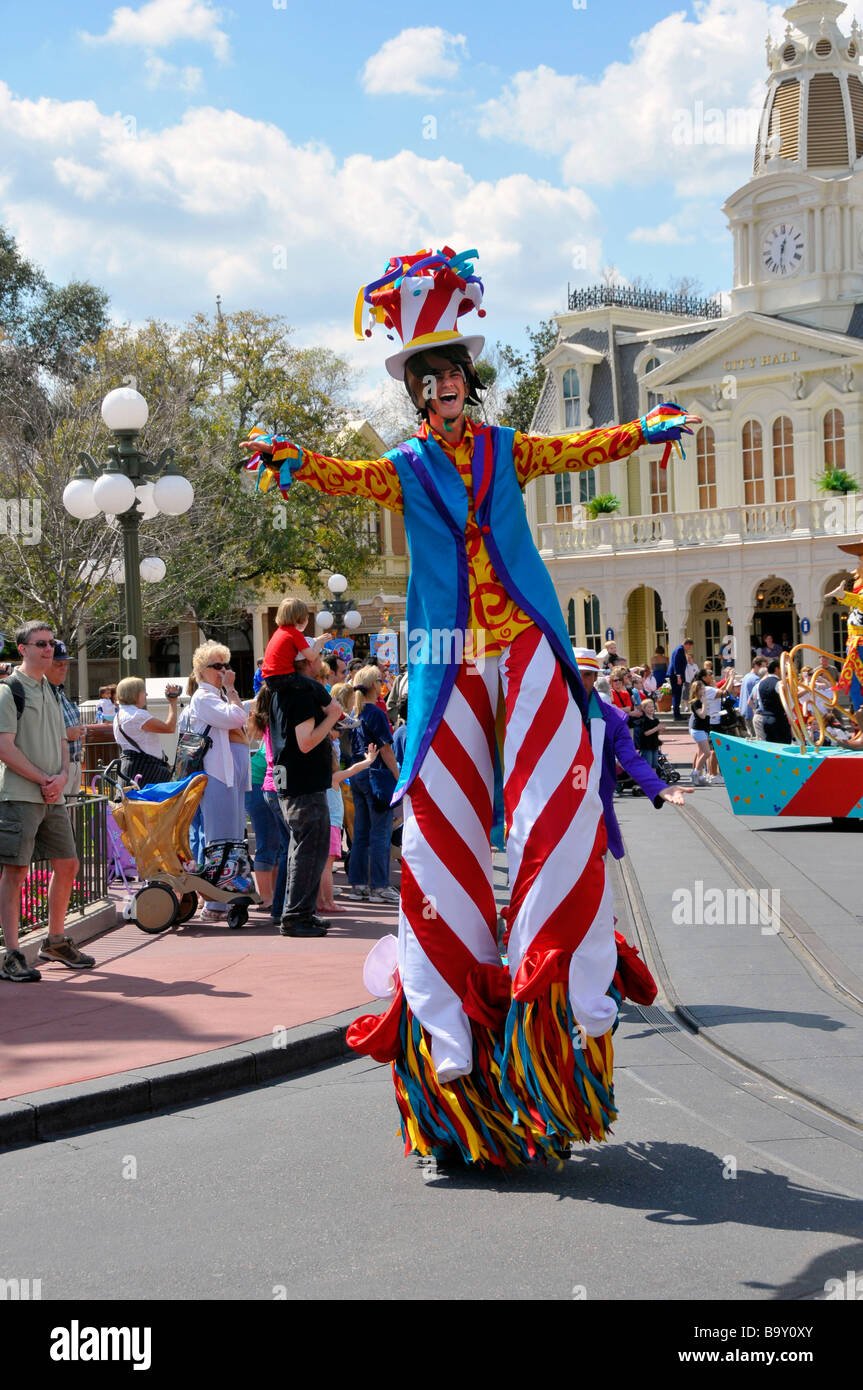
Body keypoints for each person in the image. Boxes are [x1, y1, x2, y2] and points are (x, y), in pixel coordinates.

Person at [241, 245, 698, 1169]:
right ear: (415, 392)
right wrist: (293, 460)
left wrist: (641, 432)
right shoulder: (405, 465)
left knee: (550, 823)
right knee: (432, 845)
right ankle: (449, 1053)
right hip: (448, 654)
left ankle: (557, 1020)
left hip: (526, 642)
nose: (442, 386)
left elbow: (576, 447)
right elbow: (340, 475)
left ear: (466, 383)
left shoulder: (503, 449)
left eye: (452, 373)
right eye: (428, 376)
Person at [0, 621, 94, 980]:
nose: (48, 649)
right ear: (22, 649)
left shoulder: (52, 692)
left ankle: (55, 940)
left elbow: (61, 745)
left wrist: (58, 779)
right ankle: (12, 954)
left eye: (50, 643)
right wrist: (43, 779)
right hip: (19, 795)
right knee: (16, 871)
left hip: (51, 796)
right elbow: (4, 747)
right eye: (40, 643)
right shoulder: (9, 691)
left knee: (68, 864)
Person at [270, 646, 344, 937]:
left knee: (302, 847)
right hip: (303, 782)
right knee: (309, 848)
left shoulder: (282, 692)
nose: (320, 660)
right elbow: (305, 742)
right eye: (314, 654)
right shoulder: (299, 693)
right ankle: (297, 915)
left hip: (294, 781)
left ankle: (300, 912)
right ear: (305, 661)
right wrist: (332, 716)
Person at [188, 642, 252, 921]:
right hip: (216, 776)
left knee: (233, 839)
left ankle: (227, 896)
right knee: (219, 840)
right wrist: (232, 691)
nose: (223, 671)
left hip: (229, 776)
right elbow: (238, 717)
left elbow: (242, 723)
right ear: (202, 670)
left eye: (225, 665)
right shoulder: (204, 698)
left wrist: (230, 694)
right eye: (217, 666)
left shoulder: (217, 697)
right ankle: (215, 903)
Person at [347, 665, 401, 904]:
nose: (382, 685)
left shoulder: (355, 712)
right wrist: (399, 777)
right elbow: (386, 750)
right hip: (376, 775)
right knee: (380, 833)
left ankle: (358, 884)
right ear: (373, 685)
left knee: (361, 833)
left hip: (359, 773)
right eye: (380, 681)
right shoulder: (376, 712)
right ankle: (379, 885)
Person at [113, 676, 181, 788]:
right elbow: (169, 728)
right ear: (134, 694)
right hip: (145, 770)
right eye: (143, 692)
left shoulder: (119, 715)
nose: (146, 694)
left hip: (129, 768)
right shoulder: (137, 715)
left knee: (131, 804)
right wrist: (173, 702)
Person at [827, 538, 863, 734]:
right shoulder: (859, 588)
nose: (856, 568)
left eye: (860, 561)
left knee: (858, 686)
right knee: (856, 687)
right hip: (855, 645)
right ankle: (861, 729)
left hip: (861, 645)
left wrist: (842, 595)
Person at [261, 597, 333, 694]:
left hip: (269, 678)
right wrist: (319, 643)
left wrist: (316, 640)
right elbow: (311, 656)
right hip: (283, 676)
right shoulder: (295, 633)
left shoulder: (280, 631)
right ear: (301, 618)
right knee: (315, 687)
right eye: (307, 617)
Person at [45, 640, 87, 799]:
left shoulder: (59, 692)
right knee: (63, 819)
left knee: (71, 820)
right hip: (57, 768)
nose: (64, 668)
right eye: (58, 664)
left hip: (73, 765)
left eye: (65, 663)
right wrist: (66, 733)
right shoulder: (40, 693)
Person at [757, 659, 792, 744]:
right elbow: (789, 702)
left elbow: (760, 702)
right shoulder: (780, 684)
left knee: (771, 747)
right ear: (777, 669)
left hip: (765, 719)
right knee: (783, 746)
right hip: (778, 720)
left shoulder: (761, 683)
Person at [737, 657, 768, 738]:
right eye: (763, 667)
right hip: (753, 713)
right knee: (756, 738)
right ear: (756, 666)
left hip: (745, 712)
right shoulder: (756, 679)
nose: (765, 669)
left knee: (751, 736)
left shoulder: (746, 676)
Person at [669, 638, 693, 720]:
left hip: (676, 675)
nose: (689, 649)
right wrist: (678, 676)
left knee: (677, 694)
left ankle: (677, 714)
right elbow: (676, 663)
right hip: (676, 676)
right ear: (687, 644)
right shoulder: (680, 650)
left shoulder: (679, 649)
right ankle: (676, 715)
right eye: (689, 647)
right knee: (677, 694)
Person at [638, 698, 661, 769]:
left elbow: (656, 733)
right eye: (649, 707)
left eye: (653, 706)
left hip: (654, 744)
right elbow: (646, 733)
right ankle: (648, 779)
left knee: (655, 765)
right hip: (646, 746)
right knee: (648, 764)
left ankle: (654, 779)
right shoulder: (644, 720)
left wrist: (660, 729)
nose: (652, 708)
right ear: (644, 709)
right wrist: (657, 728)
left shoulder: (655, 720)